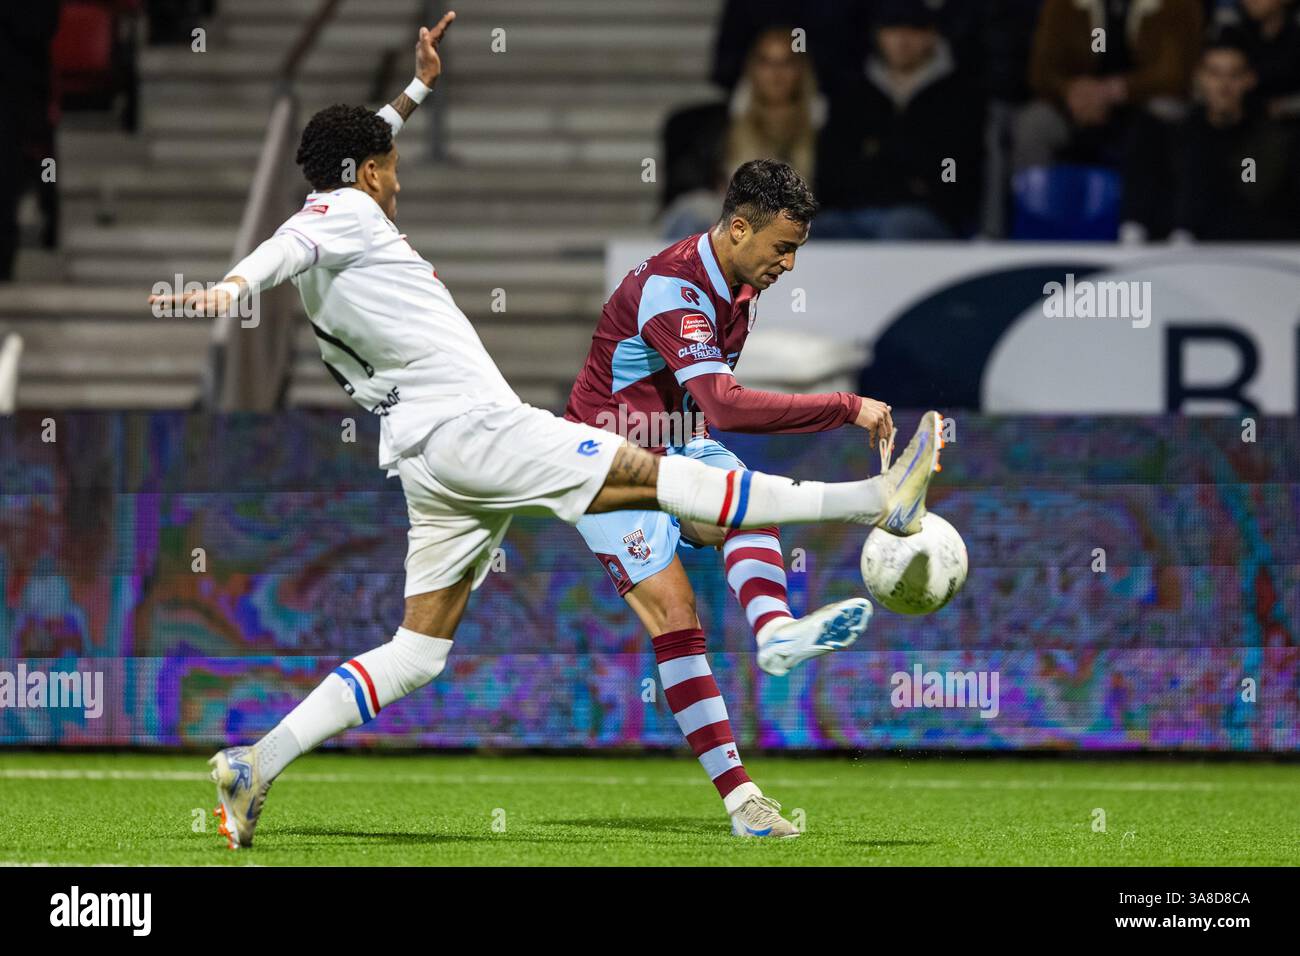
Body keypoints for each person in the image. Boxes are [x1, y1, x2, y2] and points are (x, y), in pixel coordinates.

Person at [146, 14, 945, 848]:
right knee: (658, 473)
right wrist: (229, 287)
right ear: (372, 174)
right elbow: (294, 241)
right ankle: (872, 499)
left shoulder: (351, 195)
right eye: (391, 164)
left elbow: (359, 149)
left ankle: (256, 761)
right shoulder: (342, 214)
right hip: (477, 430)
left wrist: (418, 87)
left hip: (423, 457)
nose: (396, 175)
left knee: (417, 652)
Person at [570, 159, 899, 831]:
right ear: (739, 228)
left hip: (676, 440)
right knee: (676, 614)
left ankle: (775, 632)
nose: (790, 264)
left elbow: (701, 413)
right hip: (605, 456)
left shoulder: (742, 284)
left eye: (796, 250)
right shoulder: (674, 290)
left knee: (755, 500)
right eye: (783, 247)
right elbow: (726, 407)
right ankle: (742, 800)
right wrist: (844, 406)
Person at [814, 0, 985, 239]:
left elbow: (955, 177)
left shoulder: (959, 95)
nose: (902, 40)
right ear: (878, 34)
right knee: (817, 231)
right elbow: (833, 173)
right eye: (892, 28)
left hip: (929, 217)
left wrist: (879, 158)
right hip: (855, 212)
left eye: (914, 28)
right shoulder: (853, 92)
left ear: (931, 34)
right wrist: (904, 174)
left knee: (899, 228)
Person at [1123, 31, 1300, 240]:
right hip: (1183, 253)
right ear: (1200, 77)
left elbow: (1259, 204)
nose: (1224, 85)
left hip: (1252, 252)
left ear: (1249, 80)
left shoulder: (1272, 138)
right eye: (1215, 74)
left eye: (1233, 75)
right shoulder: (1178, 135)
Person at [659, 26, 823, 241]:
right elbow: (692, 185)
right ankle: (678, 274)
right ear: (751, 68)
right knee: (691, 211)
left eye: (786, 63)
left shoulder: (822, 126)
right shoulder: (719, 123)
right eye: (766, 62)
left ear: (800, 69)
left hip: (799, 223)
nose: (776, 73)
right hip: (730, 217)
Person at [1013, 0, 1204, 171]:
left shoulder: (1176, 5)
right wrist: (1071, 90)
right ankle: (1035, 207)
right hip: (1077, 105)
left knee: (1166, 113)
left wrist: (1120, 89)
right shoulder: (1063, 5)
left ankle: (1154, 207)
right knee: (1034, 124)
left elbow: (1175, 73)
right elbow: (1041, 71)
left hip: (1142, 104)